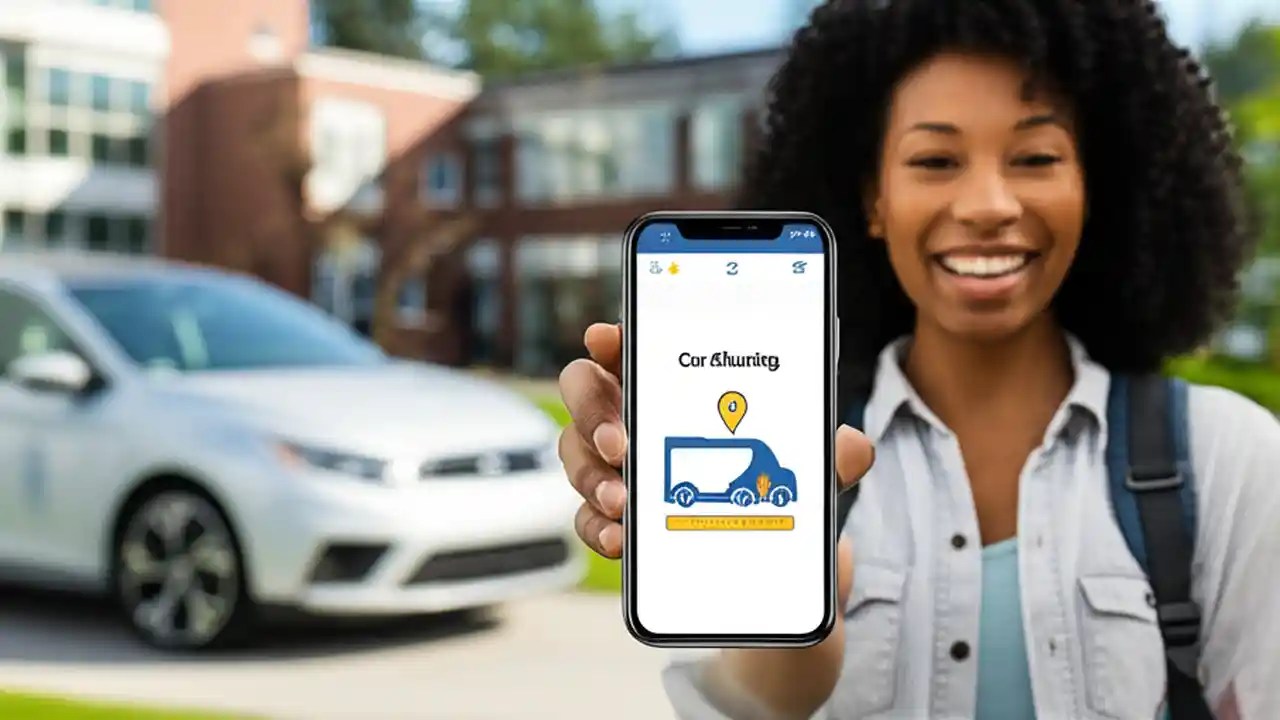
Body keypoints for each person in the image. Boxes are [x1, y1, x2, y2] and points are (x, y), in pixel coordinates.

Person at [556, 0, 1280, 717]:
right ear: (873, 199)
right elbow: (745, 708)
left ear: (1091, 190)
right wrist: (795, 643)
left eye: (1035, 158)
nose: (988, 203)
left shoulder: (1225, 457)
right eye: (935, 160)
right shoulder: (799, 452)